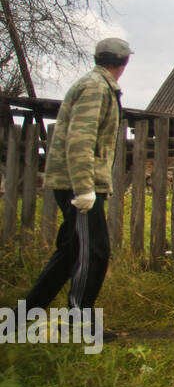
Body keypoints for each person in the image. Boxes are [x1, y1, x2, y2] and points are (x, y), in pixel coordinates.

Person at [24, 37, 130, 311]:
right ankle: (79, 317)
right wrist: (84, 188)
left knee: (71, 251)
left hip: (76, 181)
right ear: (124, 62)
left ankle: (26, 313)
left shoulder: (99, 85)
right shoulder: (95, 88)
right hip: (79, 185)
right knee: (93, 252)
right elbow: (80, 140)